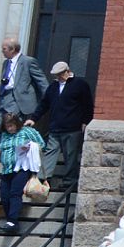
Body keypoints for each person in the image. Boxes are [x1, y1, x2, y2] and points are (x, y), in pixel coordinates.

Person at [37, 61, 95, 192]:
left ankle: (69, 181)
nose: (57, 77)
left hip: (72, 127)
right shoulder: (53, 87)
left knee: (71, 155)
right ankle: (44, 178)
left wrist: (86, 121)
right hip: (55, 127)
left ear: (66, 72)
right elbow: (44, 104)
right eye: (56, 75)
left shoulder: (80, 85)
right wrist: (34, 118)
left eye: (59, 74)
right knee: (50, 152)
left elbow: (88, 105)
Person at [0, 111, 44, 235]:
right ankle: (11, 221)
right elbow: (4, 147)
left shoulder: (26, 131)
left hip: (21, 168)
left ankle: (12, 221)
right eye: (7, 126)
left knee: (15, 194)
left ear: (17, 123)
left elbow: (41, 144)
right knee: (4, 196)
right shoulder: (4, 135)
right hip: (6, 169)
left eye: (12, 125)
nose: (10, 128)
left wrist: (29, 147)